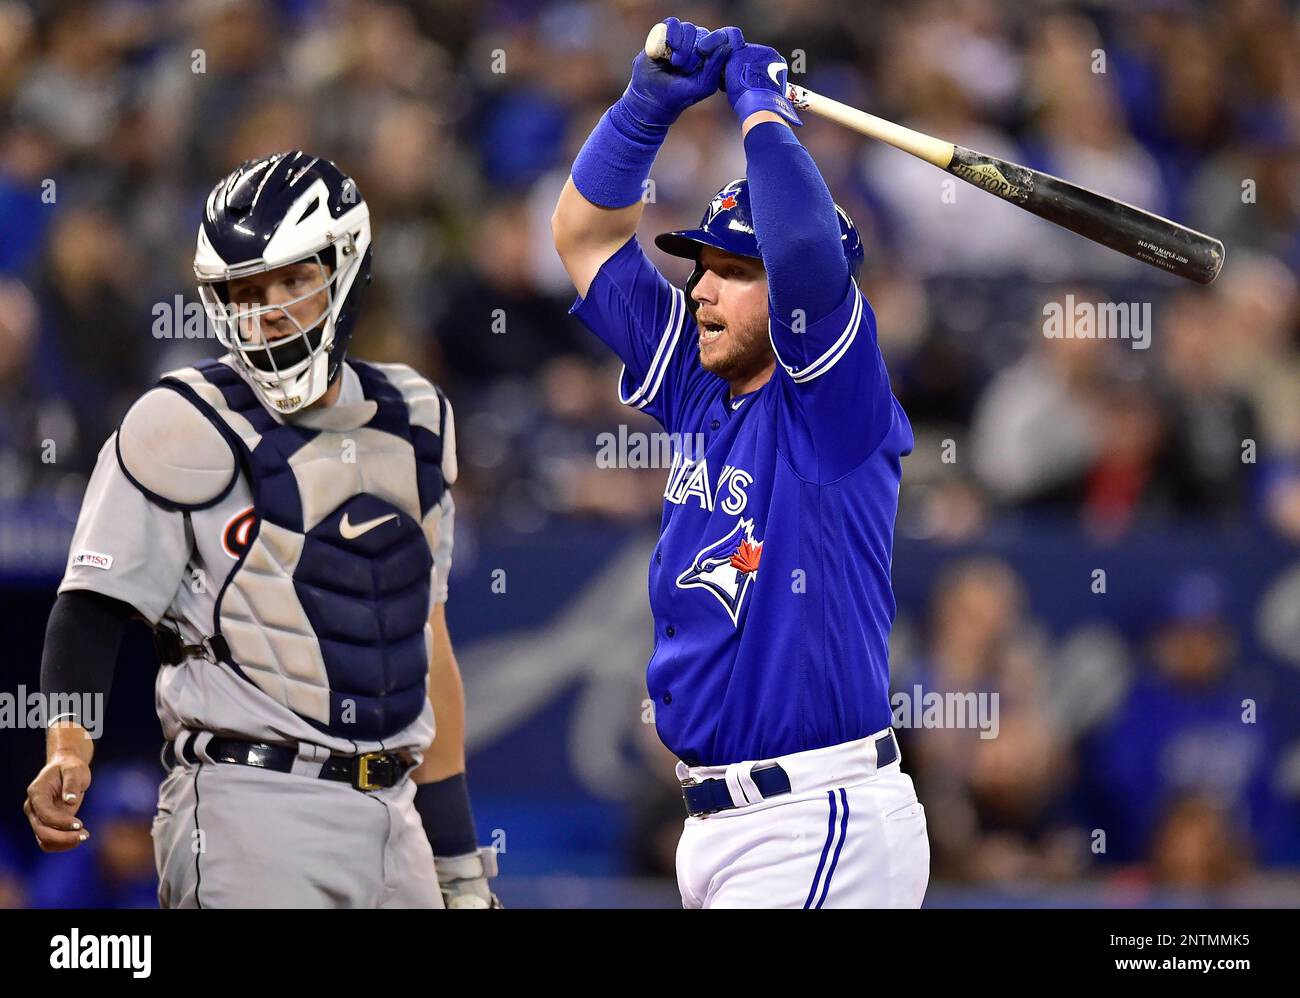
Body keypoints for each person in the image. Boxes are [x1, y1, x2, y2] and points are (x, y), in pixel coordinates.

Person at [24, 152, 497, 908]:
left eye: (292, 281)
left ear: (346, 270)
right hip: (248, 801)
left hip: (394, 810)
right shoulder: (182, 419)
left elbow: (425, 649)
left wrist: (458, 858)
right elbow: (90, 606)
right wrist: (67, 748)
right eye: (247, 292)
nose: (270, 308)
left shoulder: (419, 416)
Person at [552, 19, 928, 908]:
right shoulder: (697, 377)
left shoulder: (837, 407)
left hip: (818, 815)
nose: (702, 288)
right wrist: (645, 107)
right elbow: (584, 236)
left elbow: (802, 253)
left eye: (733, 270)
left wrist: (763, 114)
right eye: (701, 267)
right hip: (721, 826)